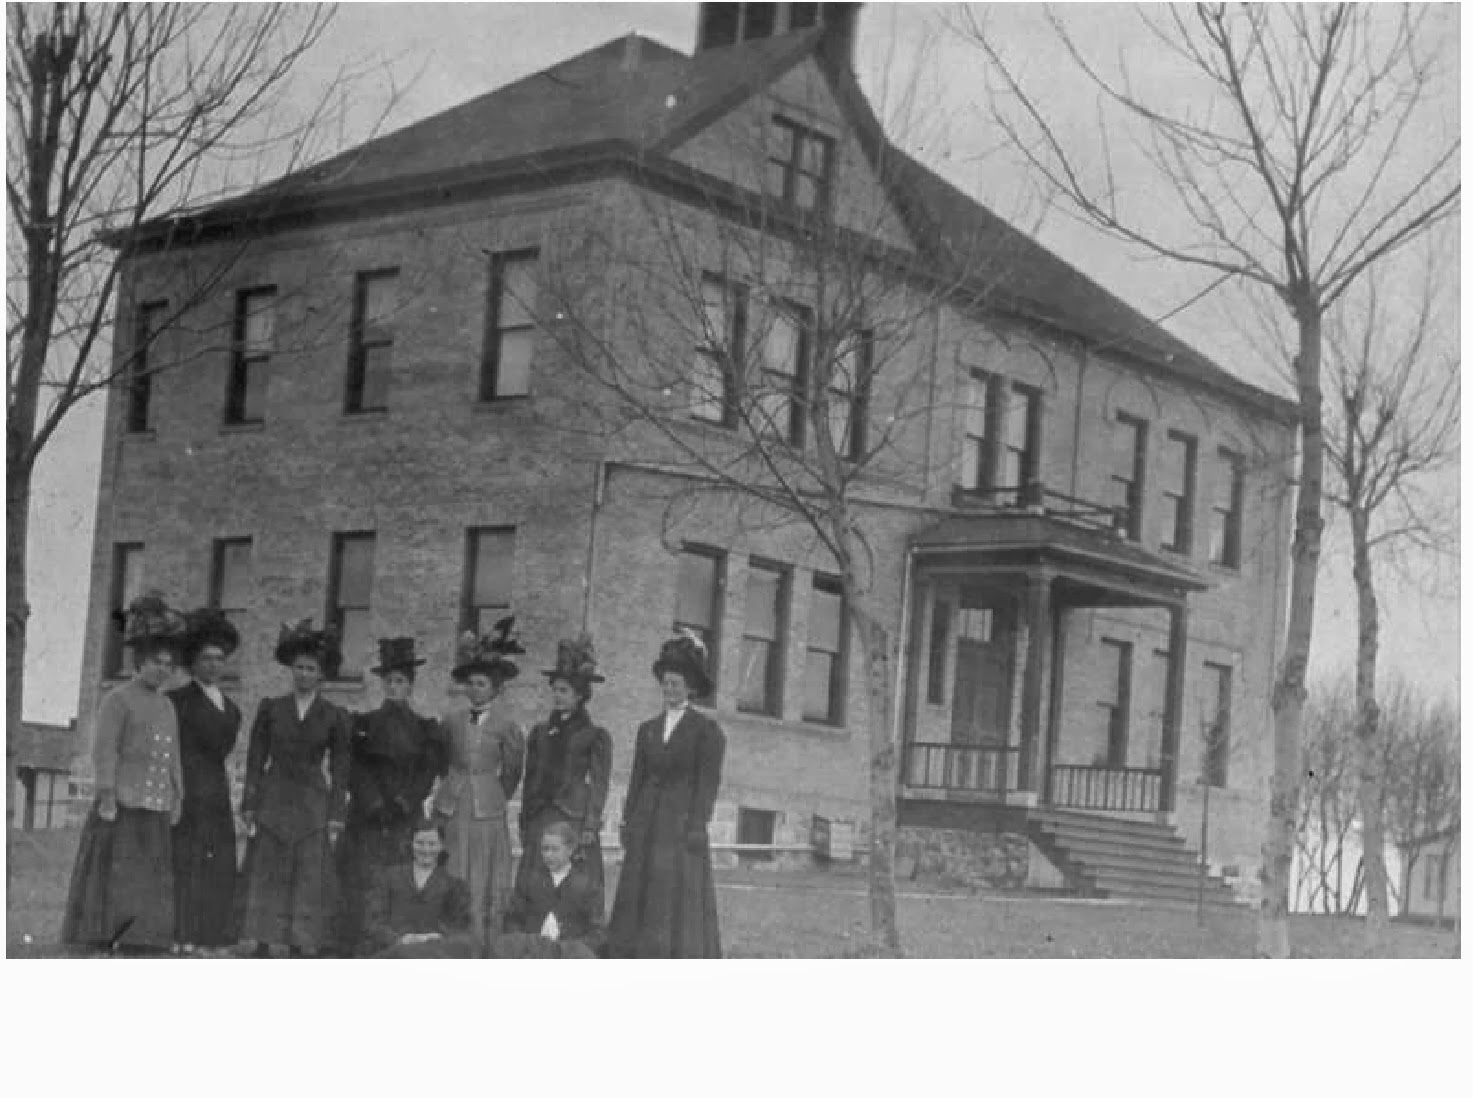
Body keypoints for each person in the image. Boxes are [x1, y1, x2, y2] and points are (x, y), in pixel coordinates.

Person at [62, 594, 187, 955]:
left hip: (156, 806)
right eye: (155, 663)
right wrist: (106, 795)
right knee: (118, 874)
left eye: (168, 664)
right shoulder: (118, 699)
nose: (162, 670)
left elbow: (173, 755)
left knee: (149, 875)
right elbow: (106, 751)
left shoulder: (167, 705)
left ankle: (142, 937)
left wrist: (177, 795)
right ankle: (105, 934)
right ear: (139, 662)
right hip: (123, 805)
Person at [606, 631, 725, 959]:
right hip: (647, 821)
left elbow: (707, 786)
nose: (669, 689)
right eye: (666, 683)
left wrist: (697, 825)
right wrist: (628, 820)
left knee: (673, 893)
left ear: (690, 687)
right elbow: (637, 778)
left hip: (679, 824)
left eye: (676, 684)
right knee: (640, 887)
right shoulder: (647, 729)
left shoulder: (706, 732)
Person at [237, 620, 352, 957]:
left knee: (307, 875)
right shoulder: (271, 709)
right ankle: (262, 941)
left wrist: (336, 813)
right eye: (299, 668)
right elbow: (255, 759)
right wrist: (250, 803)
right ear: (291, 670)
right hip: (274, 798)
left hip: (312, 802)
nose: (303, 674)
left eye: (310, 669)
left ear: (321, 675)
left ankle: (301, 943)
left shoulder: (333, 715)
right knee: (268, 871)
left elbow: (340, 769)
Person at [335, 637, 446, 953]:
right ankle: (360, 941)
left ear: (410, 686)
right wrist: (373, 802)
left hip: (404, 816)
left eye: (400, 681)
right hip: (368, 814)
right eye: (389, 681)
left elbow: (427, 772)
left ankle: (399, 943)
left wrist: (404, 802)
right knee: (364, 876)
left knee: (402, 877)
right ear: (382, 684)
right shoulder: (364, 724)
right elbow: (355, 768)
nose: (394, 687)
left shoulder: (425, 728)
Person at [433, 617, 525, 952]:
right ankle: (454, 940)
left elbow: (513, 770)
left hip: (487, 808)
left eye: (482, 684)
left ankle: (482, 941)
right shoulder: (451, 721)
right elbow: (443, 757)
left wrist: (495, 792)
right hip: (454, 805)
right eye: (471, 683)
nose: (475, 690)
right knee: (455, 866)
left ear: (495, 689)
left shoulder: (507, 725)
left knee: (483, 874)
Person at [168, 607, 244, 955]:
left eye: (219, 659)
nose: (213, 665)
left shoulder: (232, 708)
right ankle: (183, 933)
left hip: (215, 790)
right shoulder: (178, 701)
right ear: (193, 662)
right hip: (188, 788)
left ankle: (212, 935)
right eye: (206, 659)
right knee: (187, 862)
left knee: (218, 863)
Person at [516, 634, 611, 906]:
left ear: (579, 696)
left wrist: (591, 824)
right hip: (541, 815)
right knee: (536, 880)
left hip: (573, 816)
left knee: (573, 883)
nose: (557, 696)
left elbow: (600, 783)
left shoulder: (594, 735)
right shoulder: (540, 732)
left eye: (564, 691)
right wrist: (525, 817)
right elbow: (531, 778)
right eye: (555, 690)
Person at [361, 816, 478, 958]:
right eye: (420, 843)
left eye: (432, 844)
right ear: (411, 844)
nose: (426, 849)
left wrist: (434, 937)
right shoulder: (388, 878)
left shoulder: (455, 885)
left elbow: (460, 927)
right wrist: (398, 939)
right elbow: (373, 921)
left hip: (435, 956)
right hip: (394, 955)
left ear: (441, 846)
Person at [492, 820, 604, 959]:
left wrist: (570, 950)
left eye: (555, 849)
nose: (549, 855)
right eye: (545, 849)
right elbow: (513, 919)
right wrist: (526, 945)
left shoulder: (588, 885)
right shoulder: (529, 880)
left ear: (570, 850)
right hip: (532, 954)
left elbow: (597, 932)